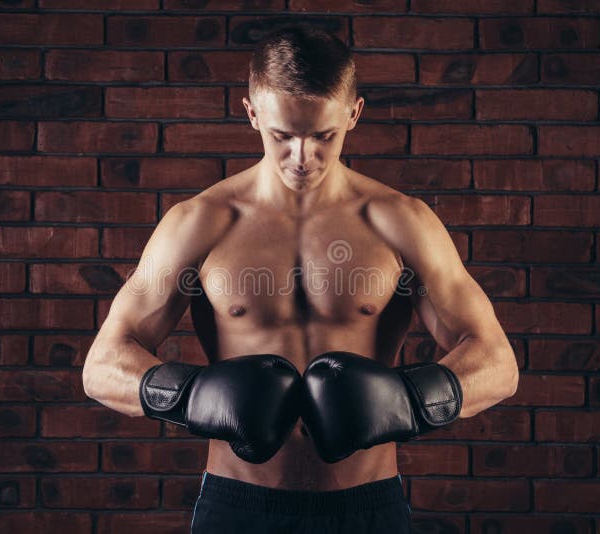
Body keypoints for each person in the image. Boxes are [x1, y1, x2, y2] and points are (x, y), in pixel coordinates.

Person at [82, 24, 519, 533]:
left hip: (365, 507)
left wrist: (408, 402)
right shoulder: (200, 222)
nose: (302, 157)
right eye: (282, 136)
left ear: (354, 113)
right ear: (251, 114)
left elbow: (498, 363)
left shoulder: (401, 222)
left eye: (323, 136)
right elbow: (102, 366)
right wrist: (192, 396)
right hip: (238, 505)